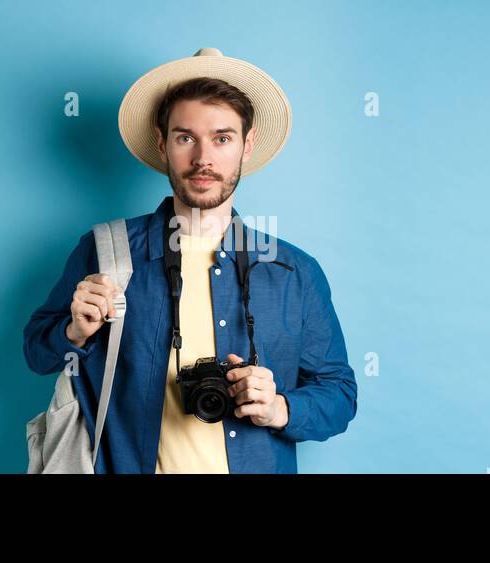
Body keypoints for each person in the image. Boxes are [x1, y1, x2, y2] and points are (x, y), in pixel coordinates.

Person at [23, 48, 356, 473]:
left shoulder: (294, 271)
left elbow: (340, 395)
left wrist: (279, 408)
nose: (203, 159)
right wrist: (76, 331)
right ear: (163, 143)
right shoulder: (106, 250)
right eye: (185, 138)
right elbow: (37, 354)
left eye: (222, 138)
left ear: (246, 145)